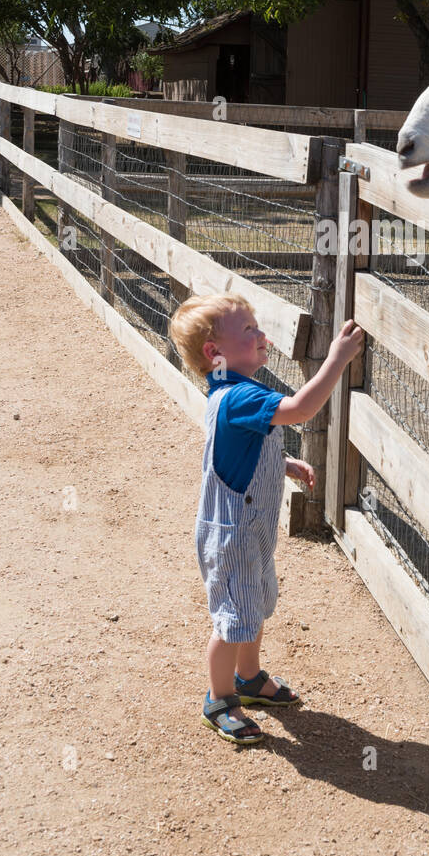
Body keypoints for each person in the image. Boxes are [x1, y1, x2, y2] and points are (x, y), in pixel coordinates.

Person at [169, 291, 363, 746]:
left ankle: (249, 678)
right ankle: (219, 699)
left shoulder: (232, 392)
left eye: (258, 326)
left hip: (250, 529)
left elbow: (245, 451)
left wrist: (285, 465)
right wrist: (336, 359)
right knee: (233, 618)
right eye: (249, 330)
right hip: (232, 533)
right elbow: (301, 410)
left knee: (254, 605)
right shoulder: (238, 396)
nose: (261, 336)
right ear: (215, 353)